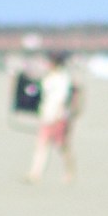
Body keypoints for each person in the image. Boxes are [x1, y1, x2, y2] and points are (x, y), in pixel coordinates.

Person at [26, 54, 82, 185]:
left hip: (58, 117)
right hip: (46, 115)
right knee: (41, 145)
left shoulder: (63, 78)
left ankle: (70, 172)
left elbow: (61, 99)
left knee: (62, 146)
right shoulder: (49, 77)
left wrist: (57, 116)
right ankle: (35, 173)